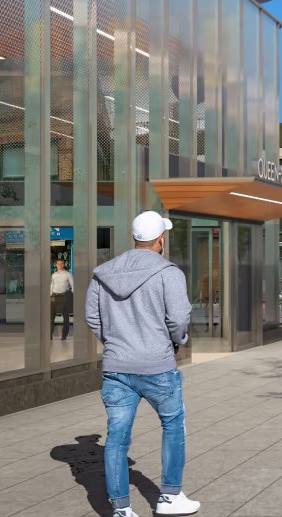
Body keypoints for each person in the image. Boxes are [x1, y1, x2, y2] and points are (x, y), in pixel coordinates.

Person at [85, 211, 199, 517]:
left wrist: (115, 343)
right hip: (157, 365)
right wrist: (177, 341)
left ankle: (121, 509)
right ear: (160, 239)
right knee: (173, 426)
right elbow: (178, 319)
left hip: (117, 368)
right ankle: (170, 497)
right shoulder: (168, 273)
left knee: (117, 437)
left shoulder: (103, 273)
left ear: (135, 238)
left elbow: (92, 318)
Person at [50, 258, 75, 340]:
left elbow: (73, 285)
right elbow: (51, 286)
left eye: (62, 263)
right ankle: (49, 335)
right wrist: (50, 295)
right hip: (54, 296)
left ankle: (64, 335)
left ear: (64, 264)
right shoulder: (53, 275)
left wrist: (72, 295)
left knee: (66, 318)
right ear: (56, 265)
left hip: (64, 296)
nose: (60, 265)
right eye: (58, 264)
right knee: (50, 317)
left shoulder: (68, 274)